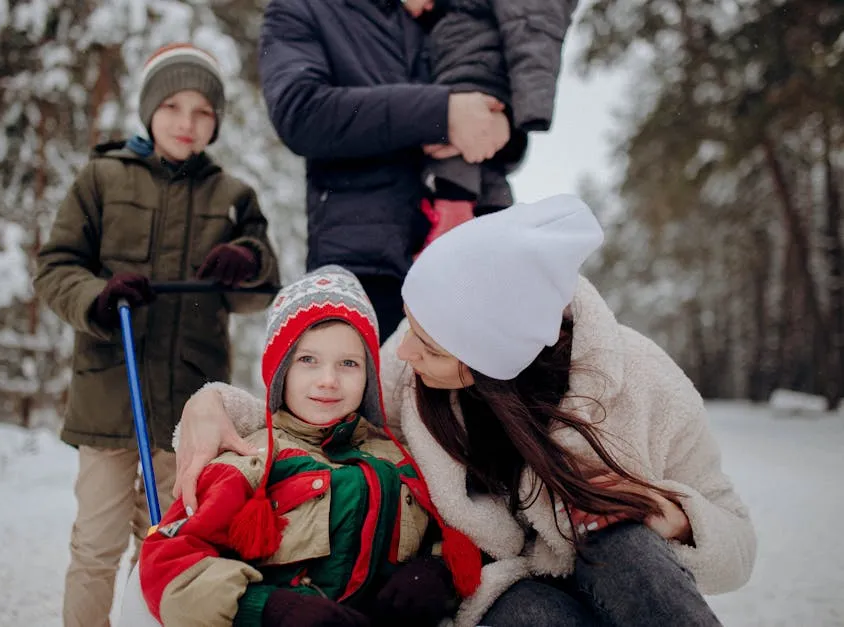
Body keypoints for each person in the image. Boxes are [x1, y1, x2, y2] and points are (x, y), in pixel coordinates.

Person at [172, 195, 756, 626]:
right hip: (507, 588)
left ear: (489, 357)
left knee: (630, 552)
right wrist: (211, 402)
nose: (401, 350)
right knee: (535, 620)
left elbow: (737, 544)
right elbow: (319, 416)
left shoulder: (641, 380)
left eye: (427, 342)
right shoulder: (410, 375)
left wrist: (672, 513)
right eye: (409, 323)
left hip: (628, 576)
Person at [33, 43, 279, 627]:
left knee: (171, 541)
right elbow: (56, 267)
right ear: (149, 111)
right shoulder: (101, 177)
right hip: (108, 395)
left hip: (191, 406)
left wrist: (246, 260)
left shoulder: (233, 196)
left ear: (216, 121)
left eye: (202, 111)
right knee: (95, 545)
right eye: (172, 106)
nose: (186, 123)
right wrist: (98, 295)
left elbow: (262, 287)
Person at [134, 266, 481, 627]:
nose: (328, 380)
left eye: (348, 363)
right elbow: (168, 564)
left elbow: (448, 539)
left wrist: (434, 571)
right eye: (308, 361)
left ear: (369, 377)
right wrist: (269, 608)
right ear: (282, 370)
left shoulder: (397, 460)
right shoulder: (252, 459)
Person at [258, 0, 511, 341]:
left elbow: (486, 92)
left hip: (464, 258)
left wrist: (507, 130)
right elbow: (301, 113)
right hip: (363, 269)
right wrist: (441, 114)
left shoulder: (438, 13)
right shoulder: (301, 9)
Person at [403, 0, 578, 248]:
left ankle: (457, 227)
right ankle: (496, 232)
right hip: (460, 84)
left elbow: (534, 29)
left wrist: (532, 107)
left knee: (456, 168)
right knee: (489, 181)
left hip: (475, 83)